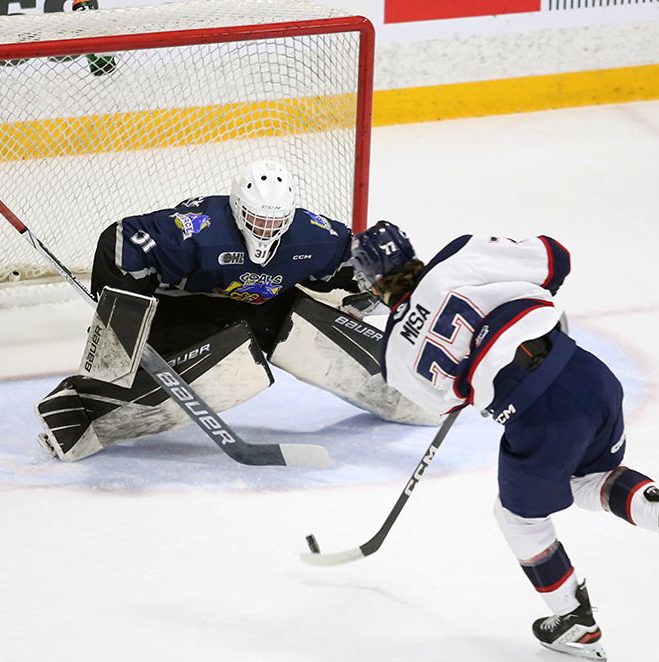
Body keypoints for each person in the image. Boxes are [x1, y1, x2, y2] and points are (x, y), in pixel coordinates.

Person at [349, 221, 659, 662]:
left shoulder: (394, 355)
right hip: (591, 376)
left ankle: (576, 622)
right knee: (591, 478)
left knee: (518, 519)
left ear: (373, 284)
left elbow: (446, 400)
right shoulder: (460, 254)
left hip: (540, 417)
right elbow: (555, 259)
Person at [35, 160, 437, 462]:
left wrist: (386, 283)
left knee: (304, 326)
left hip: (247, 310)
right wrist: (124, 322)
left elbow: (356, 260)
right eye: (256, 219)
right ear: (237, 208)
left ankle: (412, 390)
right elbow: (120, 241)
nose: (264, 230)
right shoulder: (198, 230)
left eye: (274, 221)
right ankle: (81, 410)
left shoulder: (311, 237)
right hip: (173, 316)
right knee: (237, 368)